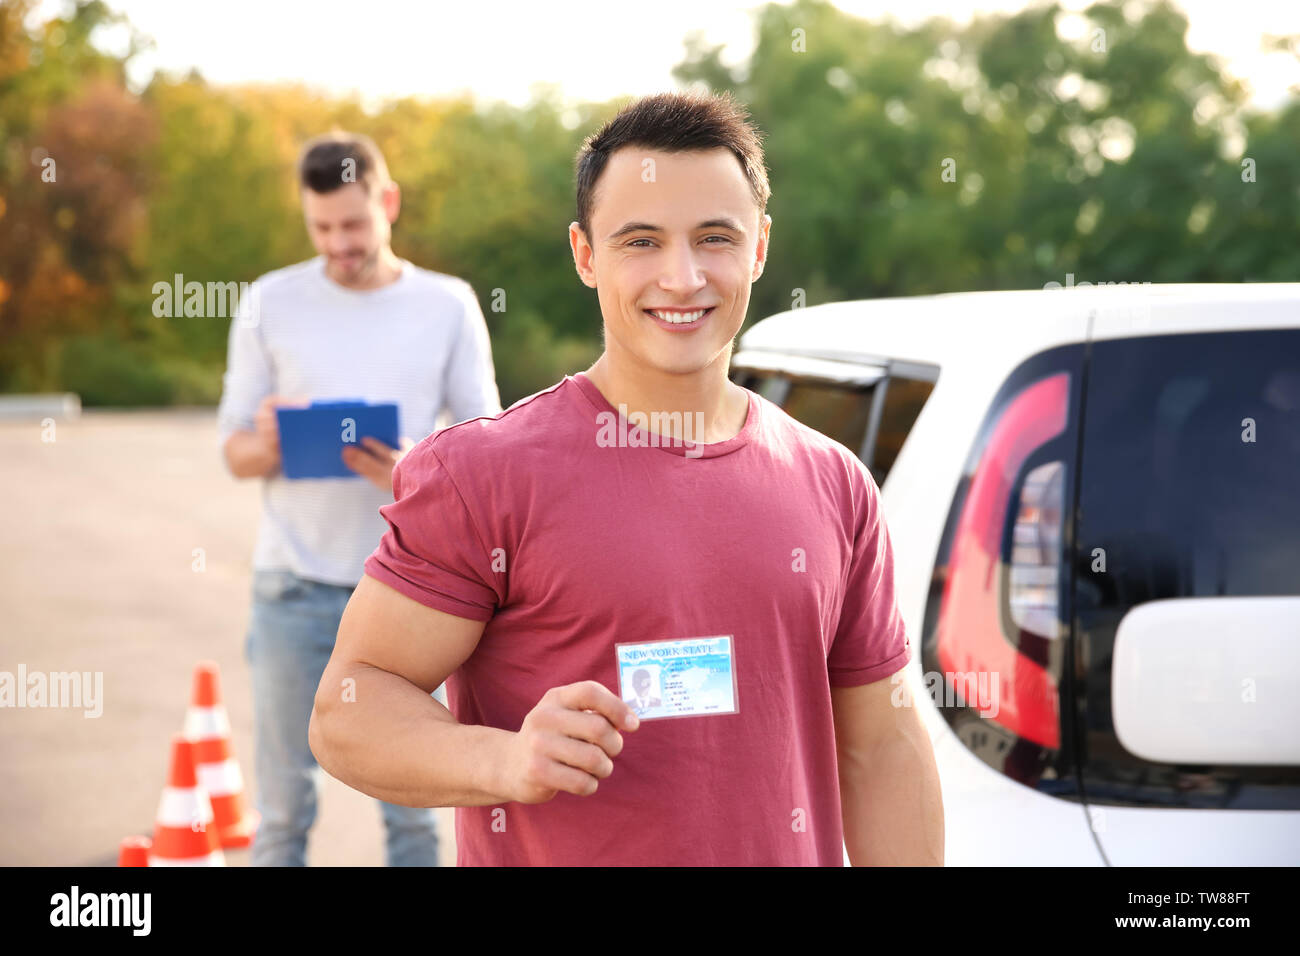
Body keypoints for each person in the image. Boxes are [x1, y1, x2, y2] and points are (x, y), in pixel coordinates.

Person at [308, 92, 943, 866]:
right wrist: (502, 759)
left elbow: (883, 750)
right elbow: (349, 712)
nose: (682, 278)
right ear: (585, 254)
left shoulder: (836, 484)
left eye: (715, 238)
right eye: (641, 241)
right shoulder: (483, 473)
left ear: (760, 249)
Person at [216, 130, 501, 866]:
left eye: (353, 224)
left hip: (414, 600)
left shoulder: (448, 305)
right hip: (292, 589)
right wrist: (272, 440)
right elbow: (235, 451)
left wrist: (415, 470)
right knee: (282, 813)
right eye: (322, 228)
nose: (339, 244)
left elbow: (490, 453)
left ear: (390, 204)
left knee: (412, 816)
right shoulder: (269, 302)